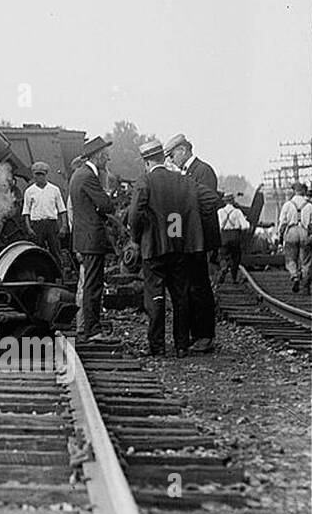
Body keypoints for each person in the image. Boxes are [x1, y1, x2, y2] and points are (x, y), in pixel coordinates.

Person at [128, 141, 198, 357]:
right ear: (162, 157)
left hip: (153, 248)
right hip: (177, 245)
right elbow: (185, 211)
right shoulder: (180, 180)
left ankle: (157, 346)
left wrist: (135, 239)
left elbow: (135, 215)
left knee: (155, 297)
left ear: (147, 161)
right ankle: (181, 345)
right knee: (180, 297)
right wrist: (176, 236)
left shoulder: (145, 181)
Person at [165, 133, 221, 353]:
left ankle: (205, 336)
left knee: (200, 287)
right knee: (188, 287)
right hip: (188, 240)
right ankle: (193, 334)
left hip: (200, 240)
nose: (171, 160)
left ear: (183, 150)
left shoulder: (203, 171)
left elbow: (207, 205)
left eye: (172, 155)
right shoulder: (187, 173)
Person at [68, 136, 114, 341]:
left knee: (89, 284)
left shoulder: (79, 174)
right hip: (92, 239)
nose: (108, 159)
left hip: (84, 238)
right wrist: (107, 196)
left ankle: (87, 327)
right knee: (93, 285)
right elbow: (106, 205)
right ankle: (92, 330)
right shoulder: (88, 176)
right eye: (106, 155)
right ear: (98, 156)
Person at [21, 162, 69, 279]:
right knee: (37, 251)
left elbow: (62, 209)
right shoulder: (29, 191)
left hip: (51, 224)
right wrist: (29, 228)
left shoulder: (54, 190)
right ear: (33, 175)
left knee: (55, 251)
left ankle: (58, 276)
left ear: (46, 175)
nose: (39, 177)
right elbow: (26, 211)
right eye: (37, 175)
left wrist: (64, 226)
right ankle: (39, 276)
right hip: (37, 224)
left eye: (42, 174)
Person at [276, 182, 312, 294]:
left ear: (294, 191)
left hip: (291, 232)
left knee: (291, 259)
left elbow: (282, 223)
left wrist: (280, 237)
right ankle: (305, 286)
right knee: (306, 261)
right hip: (304, 232)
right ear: (303, 192)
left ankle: (294, 275)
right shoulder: (310, 206)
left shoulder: (287, 205)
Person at [216, 194, 251, 284]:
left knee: (223, 255)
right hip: (235, 236)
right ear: (232, 201)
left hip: (224, 236)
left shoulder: (220, 212)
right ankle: (234, 278)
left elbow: (218, 226)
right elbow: (245, 226)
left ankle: (224, 267)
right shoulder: (237, 212)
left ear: (224, 201)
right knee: (236, 257)